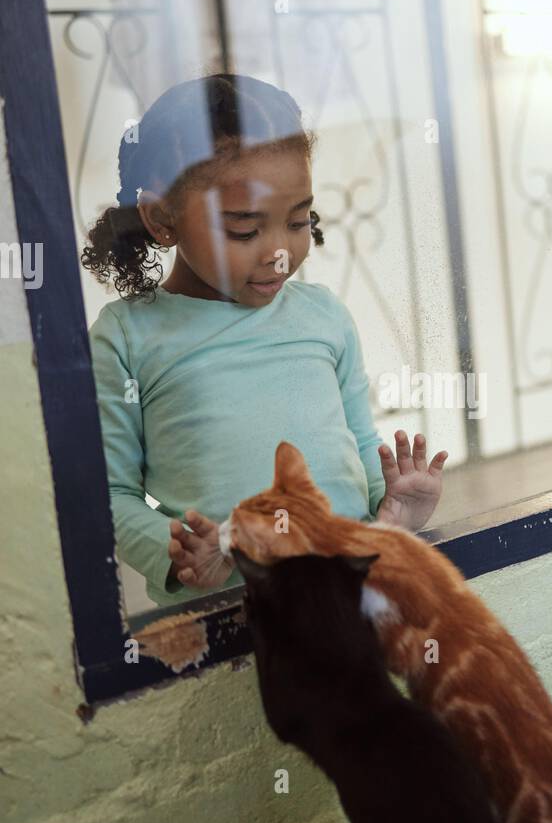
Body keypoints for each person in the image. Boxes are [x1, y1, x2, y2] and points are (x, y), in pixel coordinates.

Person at [82, 73, 447, 607]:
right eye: (246, 231)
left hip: (350, 596)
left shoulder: (323, 314)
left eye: (299, 222)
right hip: (232, 617)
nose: (279, 253)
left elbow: (359, 442)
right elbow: (110, 493)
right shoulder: (126, 337)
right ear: (163, 219)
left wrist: (391, 508)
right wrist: (178, 550)